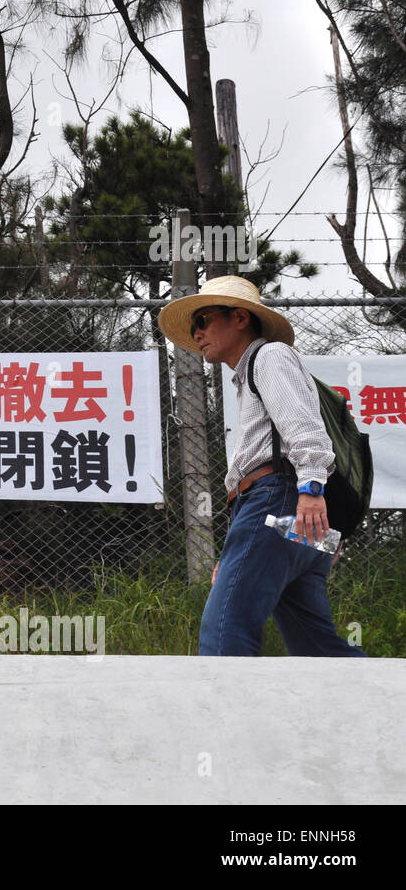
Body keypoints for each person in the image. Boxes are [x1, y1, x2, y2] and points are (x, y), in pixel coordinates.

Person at [157, 275, 365, 657]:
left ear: (239, 318)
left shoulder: (269, 356)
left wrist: (312, 492)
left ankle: (221, 714)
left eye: (203, 320)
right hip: (289, 518)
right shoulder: (252, 372)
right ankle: (383, 707)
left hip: (282, 504)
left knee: (224, 629)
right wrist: (235, 552)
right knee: (318, 648)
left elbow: (304, 430)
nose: (196, 333)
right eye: (193, 326)